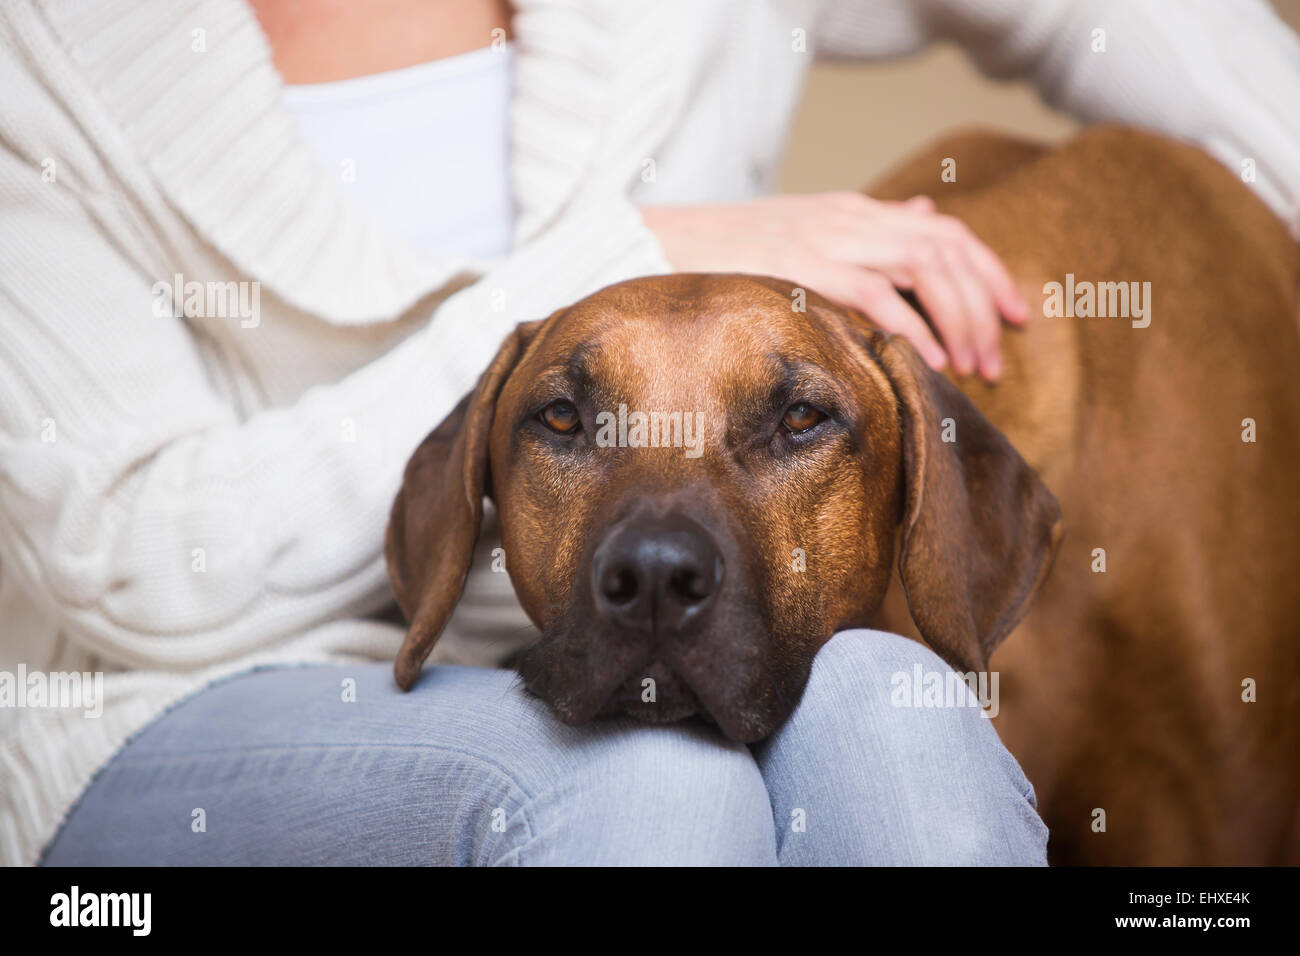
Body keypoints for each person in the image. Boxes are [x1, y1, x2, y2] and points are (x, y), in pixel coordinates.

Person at [4, 0, 1298, 866]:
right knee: (654, 793)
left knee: (897, 703)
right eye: (568, 419)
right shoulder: (45, 50)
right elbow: (122, 549)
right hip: (163, 700)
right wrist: (636, 250)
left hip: (677, 632)